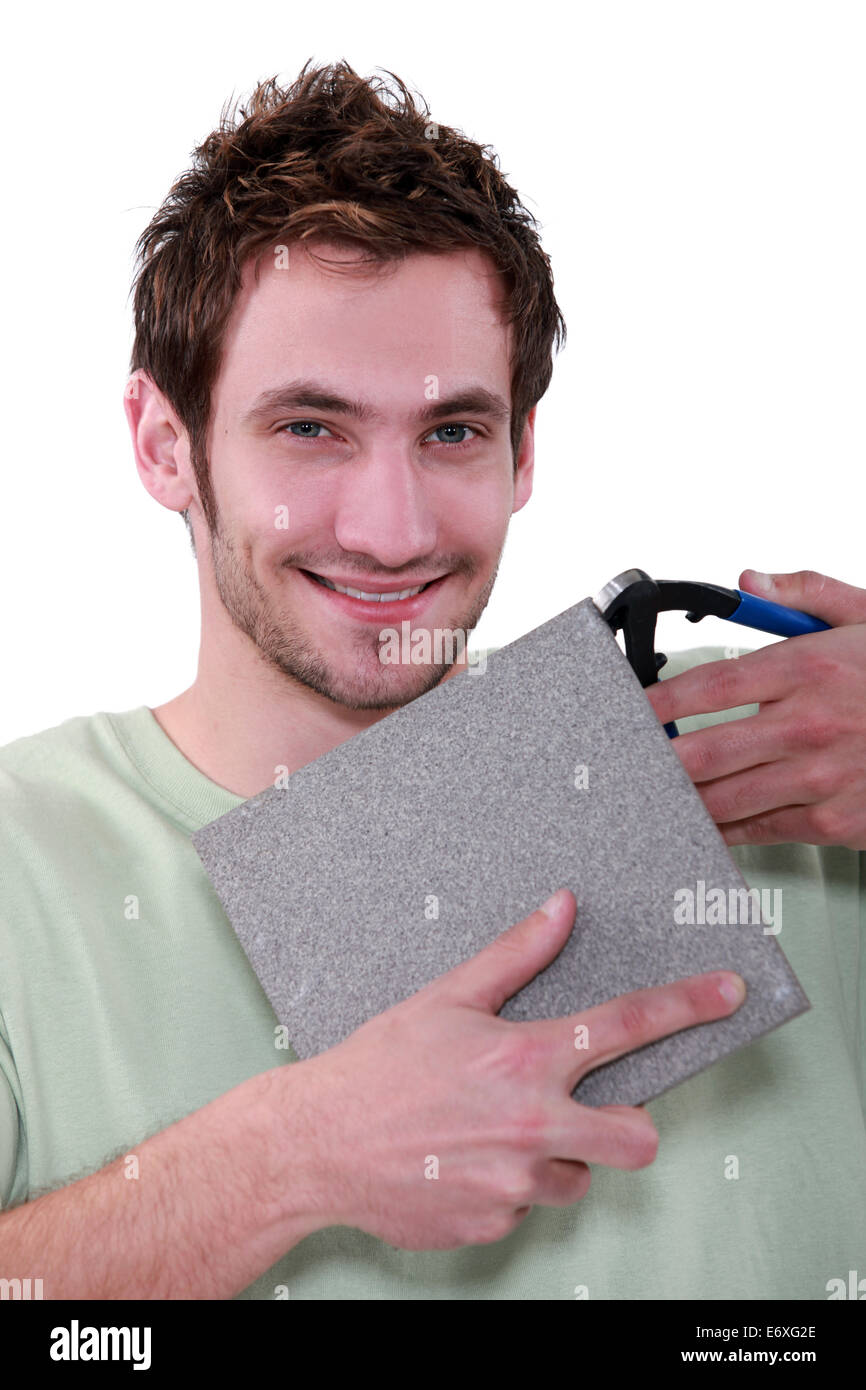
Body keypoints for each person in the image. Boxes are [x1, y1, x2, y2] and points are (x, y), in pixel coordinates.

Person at [0, 60, 862, 1302]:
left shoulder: (773, 753)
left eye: (451, 430)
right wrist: (286, 1162)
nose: (394, 529)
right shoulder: (25, 866)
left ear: (522, 452)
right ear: (162, 444)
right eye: (310, 427)